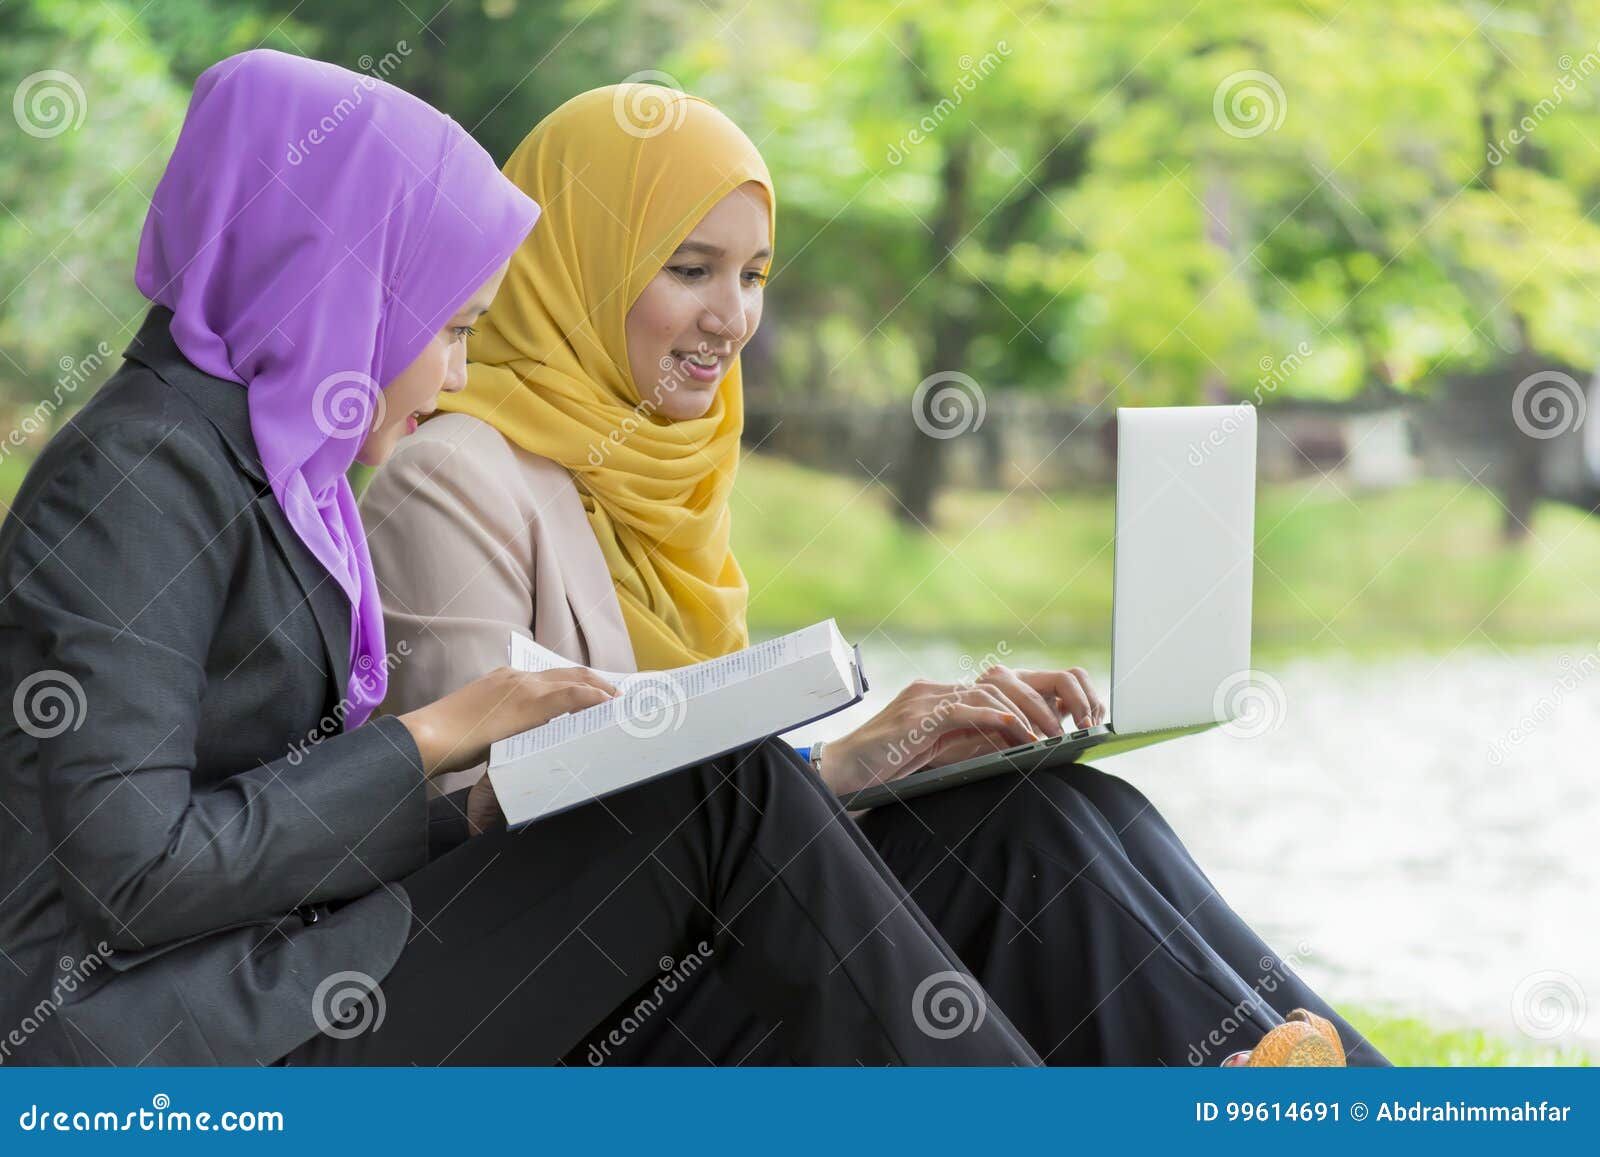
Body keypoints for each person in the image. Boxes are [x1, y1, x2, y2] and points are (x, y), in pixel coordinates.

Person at [0, 52, 1040, 1068]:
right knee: (711, 782)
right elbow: (136, 873)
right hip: (155, 1050)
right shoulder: (135, 475)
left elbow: (261, 813)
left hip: (266, 983)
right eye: (450, 328)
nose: (457, 369)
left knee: (954, 810)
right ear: (341, 292)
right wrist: (444, 730)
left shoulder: (255, 465)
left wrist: (477, 802)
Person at [360, 84, 1389, 1066]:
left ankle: (1328, 1087)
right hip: (580, 1019)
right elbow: (473, 827)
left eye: (754, 275)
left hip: (715, 938)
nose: (733, 316)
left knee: (1063, 808)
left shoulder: (670, 482)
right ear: (572, 263)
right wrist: (835, 765)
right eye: (688, 268)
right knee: (1016, 852)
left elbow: (712, 788)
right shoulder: (451, 473)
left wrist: (894, 764)